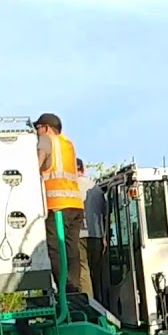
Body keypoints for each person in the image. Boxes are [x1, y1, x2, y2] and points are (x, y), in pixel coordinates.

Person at [33, 112, 86, 293]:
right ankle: (74, 287)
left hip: (57, 205)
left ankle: (64, 289)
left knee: (55, 248)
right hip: (75, 205)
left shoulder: (47, 140)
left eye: (37, 128)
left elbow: (36, 165)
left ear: (46, 128)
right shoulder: (68, 143)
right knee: (72, 249)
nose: (36, 132)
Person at [77, 158, 106, 301]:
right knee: (97, 271)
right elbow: (105, 213)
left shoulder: (72, 187)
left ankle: (90, 303)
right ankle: (101, 301)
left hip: (78, 235)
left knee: (83, 270)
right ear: (84, 169)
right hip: (97, 235)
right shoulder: (96, 188)